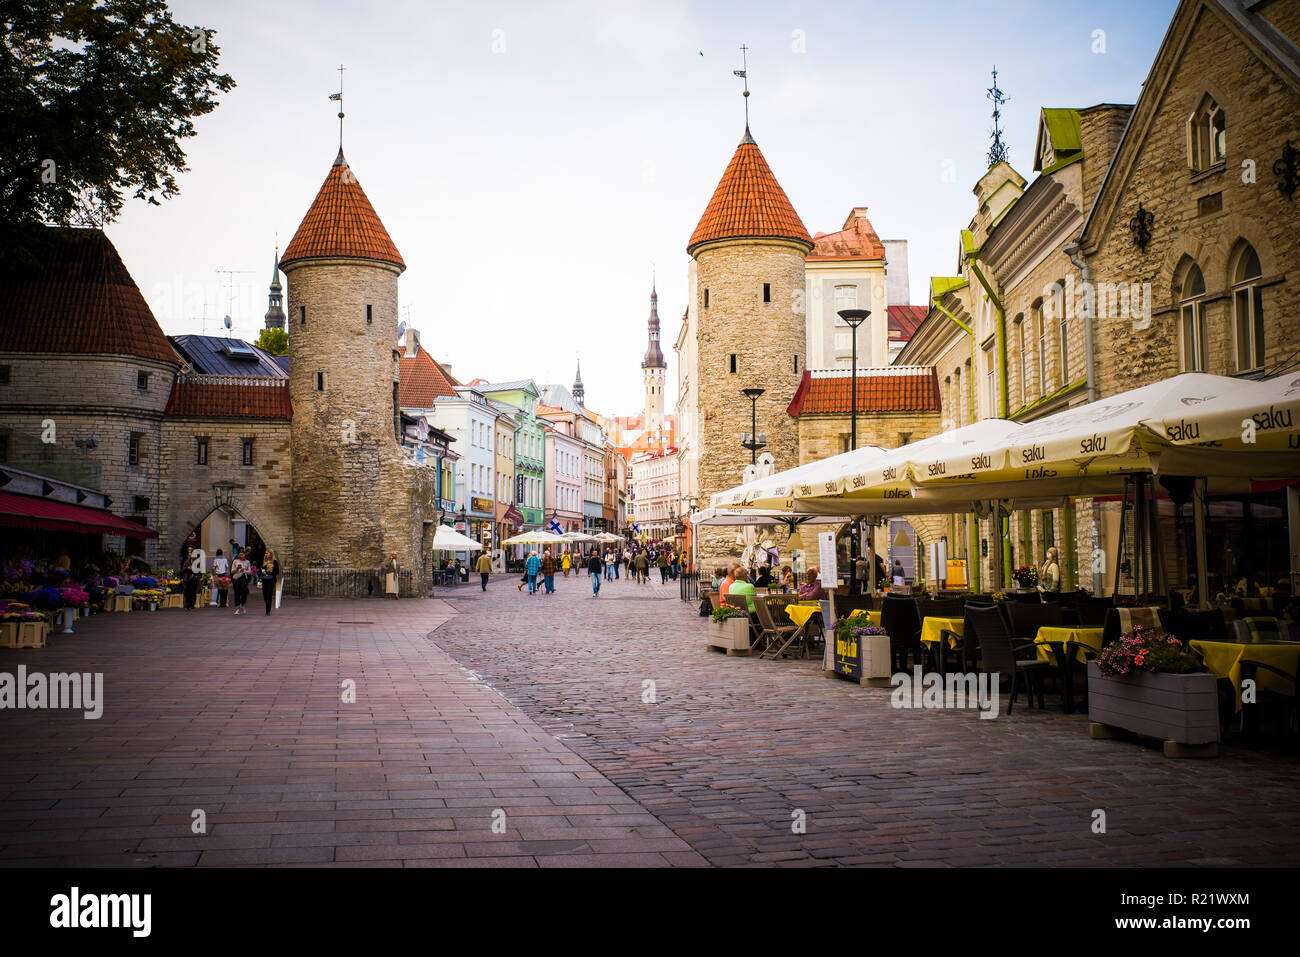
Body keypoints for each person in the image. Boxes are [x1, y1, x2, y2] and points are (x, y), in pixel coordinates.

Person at [230, 548, 251, 615]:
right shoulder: (235, 561)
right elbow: (232, 571)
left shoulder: (247, 562)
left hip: (244, 578)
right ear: (238, 555)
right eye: (240, 554)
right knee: (237, 593)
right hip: (236, 578)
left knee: (244, 592)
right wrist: (237, 568)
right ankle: (237, 609)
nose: (241, 556)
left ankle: (242, 604)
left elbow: (249, 572)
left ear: (244, 555)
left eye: (242, 554)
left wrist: (243, 570)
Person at [261, 548, 279, 615]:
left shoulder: (274, 562)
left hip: (271, 580)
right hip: (265, 579)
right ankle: (267, 605)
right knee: (264, 594)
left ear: (271, 554)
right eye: (265, 553)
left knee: (269, 595)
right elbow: (261, 569)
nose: (266, 554)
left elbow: (277, 571)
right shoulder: (264, 561)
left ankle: (268, 610)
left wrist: (270, 571)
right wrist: (263, 571)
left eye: (267, 553)